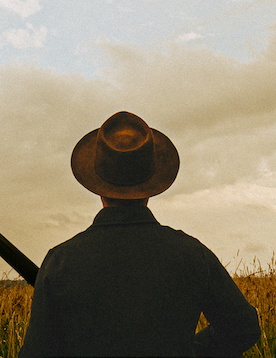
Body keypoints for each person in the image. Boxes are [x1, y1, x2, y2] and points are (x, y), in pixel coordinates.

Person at [19, 111, 261, 357]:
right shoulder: (192, 254)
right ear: (151, 186)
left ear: (98, 187)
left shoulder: (60, 261)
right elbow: (243, 327)